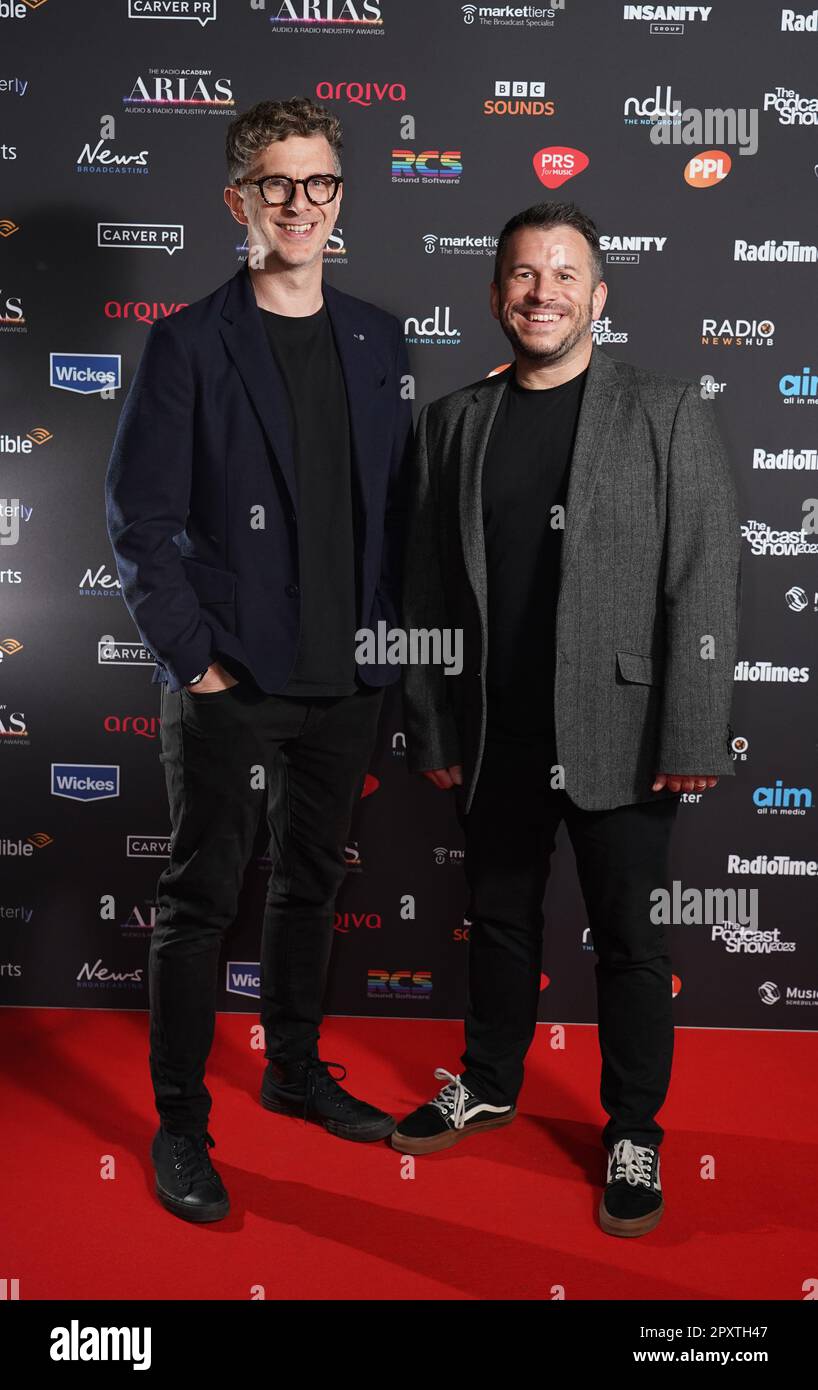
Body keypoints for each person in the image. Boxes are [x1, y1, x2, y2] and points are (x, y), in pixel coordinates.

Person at [395, 201, 741, 1238]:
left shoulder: (663, 408)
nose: (538, 291)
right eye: (519, 273)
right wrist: (436, 728)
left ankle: (631, 1126)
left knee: (630, 940)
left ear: (597, 297)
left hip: (624, 729)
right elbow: (421, 595)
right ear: (494, 292)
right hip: (498, 728)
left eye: (560, 274)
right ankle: (489, 1078)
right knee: (497, 919)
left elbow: (703, 577)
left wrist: (689, 732)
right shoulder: (454, 422)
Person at [105, 96, 413, 1224]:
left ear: (341, 198)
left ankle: (291, 1072)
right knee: (198, 900)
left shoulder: (380, 337)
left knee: (311, 882)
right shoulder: (189, 339)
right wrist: (196, 665)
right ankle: (180, 1122)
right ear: (238, 199)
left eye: (318, 182)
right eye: (275, 184)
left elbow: (393, 511)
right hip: (228, 677)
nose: (298, 203)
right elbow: (139, 521)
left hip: (345, 678)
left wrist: (384, 650)